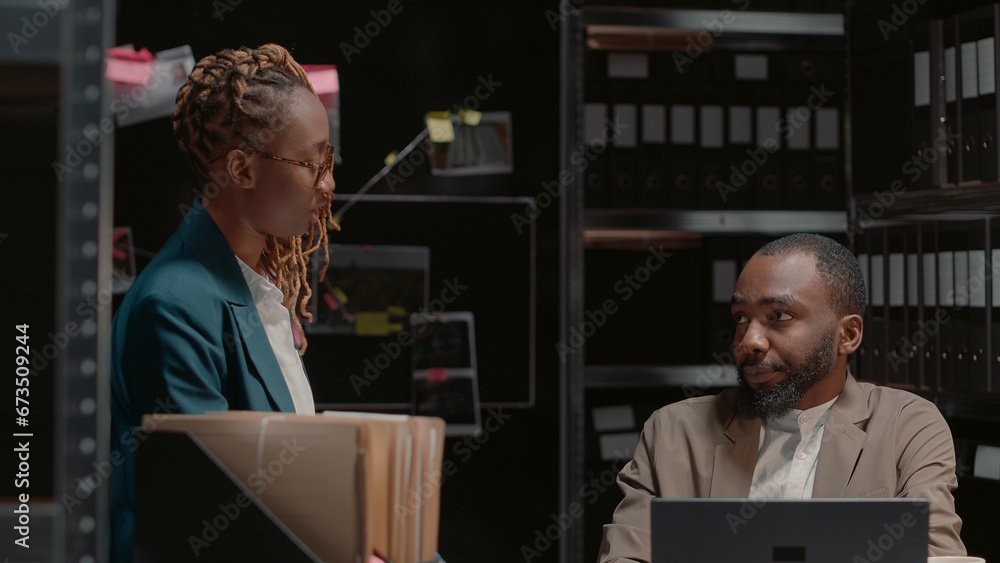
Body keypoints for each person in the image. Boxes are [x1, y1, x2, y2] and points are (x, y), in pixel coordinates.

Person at [597, 233, 966, 562]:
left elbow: (935, 553)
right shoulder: (673, 431)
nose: (749, 341)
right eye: (741, 317)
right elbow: (626, 555)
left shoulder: (908, 425)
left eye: (779, 315)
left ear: (848, 335)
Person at [109, 44, 337, 562]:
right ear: (241, 169)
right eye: (311, 163)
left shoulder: (247, 284)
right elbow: (214, 519)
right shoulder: (176, 306)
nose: (328, 184)